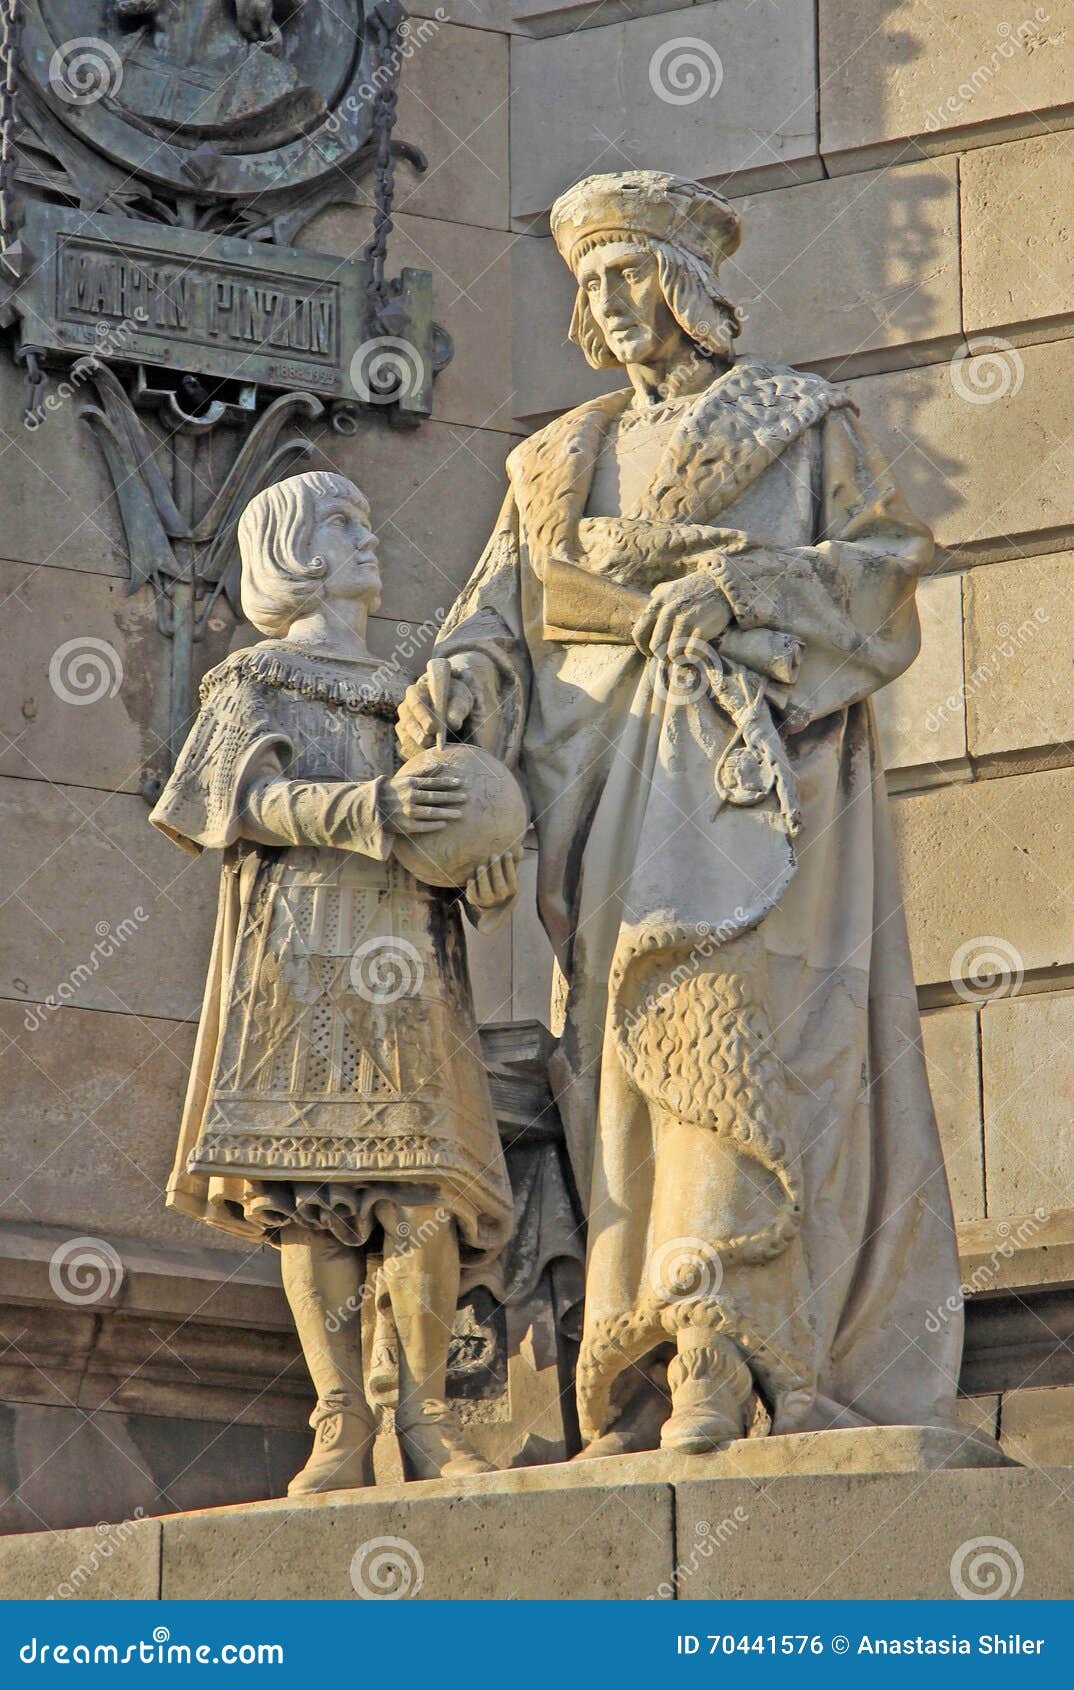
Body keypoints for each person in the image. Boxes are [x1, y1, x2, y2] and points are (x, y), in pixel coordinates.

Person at [398, 171, 964, 1457]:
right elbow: (497, 619)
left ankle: (726, 1343)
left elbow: (879, 583)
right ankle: (640, 1359)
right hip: (602, 800)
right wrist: (454, 684)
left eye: (631, 273)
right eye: (593, 284)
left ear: (689, 288)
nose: (611, 302)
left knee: (727, 1045)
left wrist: (741, 589)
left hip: (747, 802)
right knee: (625, 1070)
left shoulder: (797, 423)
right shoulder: (555, 461)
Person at [151, 471, 513, 1491]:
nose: (365, 536)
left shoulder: (416, 693)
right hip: (300, 947)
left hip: (408, 950)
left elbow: (459, 820)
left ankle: (430, 1416)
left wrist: (484, 860)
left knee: (423, 1191)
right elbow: (234, 802)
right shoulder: (252, 680)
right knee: (306, 1196)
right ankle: (341, 1420)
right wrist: (372, 809)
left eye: (362, 517)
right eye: (338, 523)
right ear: (290, 551)